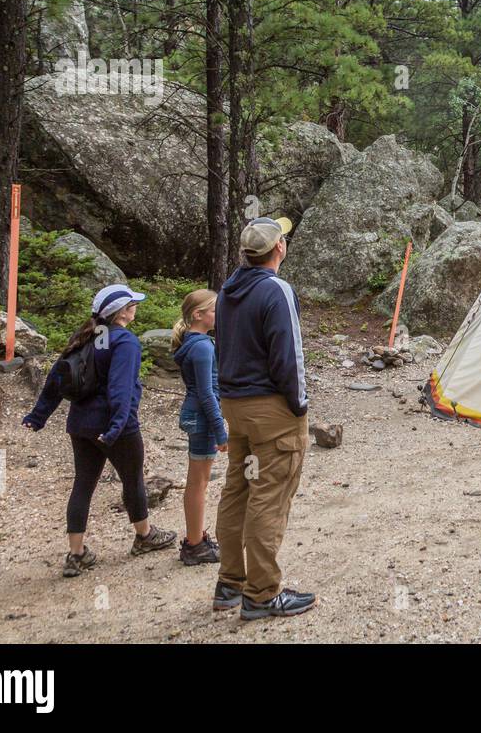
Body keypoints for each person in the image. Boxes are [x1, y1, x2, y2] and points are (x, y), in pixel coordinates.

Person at [23, 284, 176, 577]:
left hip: (80, 424)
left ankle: (76, 554)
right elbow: (121, 388)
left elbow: (58, 376)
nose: (136, 307)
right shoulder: (125, 342)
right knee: (132, 480)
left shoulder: (86, 336)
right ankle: (144, 536)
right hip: (115, 427)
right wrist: (119, 424)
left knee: (83, 484)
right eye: (133, 303)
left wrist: (38, 415)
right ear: (122, 311)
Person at [212, 217, 315, 620]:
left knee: (239, 489)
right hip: (271, 409)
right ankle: (262, 593)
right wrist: (299, 404)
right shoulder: (276, 290)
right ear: (279, 249)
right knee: (269, 496)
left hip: (235, 406)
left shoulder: (227, 291)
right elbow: (288, 354)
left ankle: (230, 582)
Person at [171, 289, 227, 566]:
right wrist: (220, 429)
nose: (219, 315)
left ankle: (196, 538)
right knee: (199, 482)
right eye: (215, 310)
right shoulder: (203, 346)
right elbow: (207, 393)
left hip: (195, 414)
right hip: (203, 417)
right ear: (198, 315)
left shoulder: (195, 343)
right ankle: (195, 543)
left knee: (197, 480)